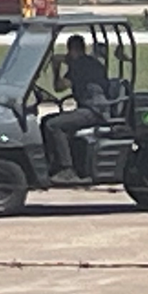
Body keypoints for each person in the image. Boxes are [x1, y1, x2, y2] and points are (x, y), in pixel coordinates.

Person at [42, 34, 109, 183]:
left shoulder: (80, 65)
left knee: (52, 125)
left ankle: (67, 169)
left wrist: (56, 67)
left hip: (93, 111)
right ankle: (53, 164)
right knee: (47, 119)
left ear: (71, 50)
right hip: (91, 108)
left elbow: (59, 87)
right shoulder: (88, 63)